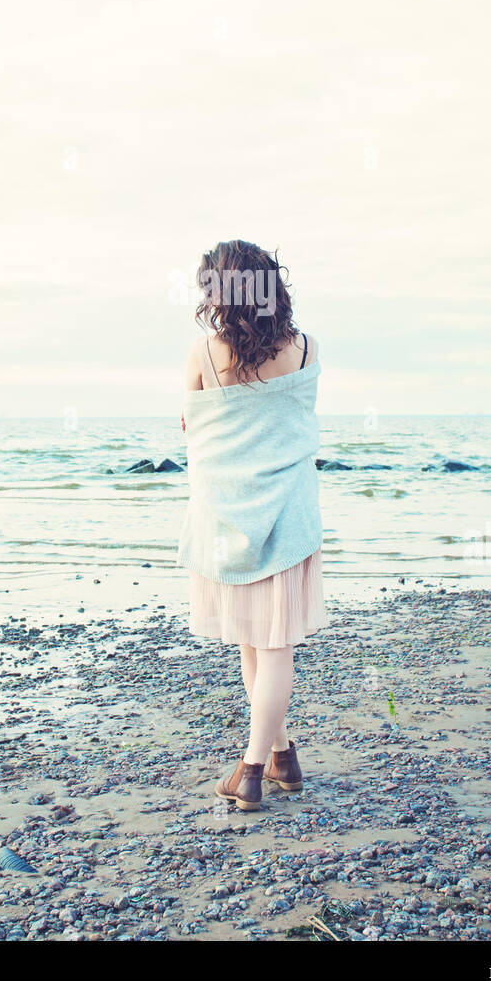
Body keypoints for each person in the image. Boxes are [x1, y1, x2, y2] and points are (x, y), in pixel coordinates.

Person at [176, 239, 328, 811]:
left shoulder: (203, 354)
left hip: (226, 516)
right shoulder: (307, 348)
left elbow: (193, 430)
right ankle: (282, 755)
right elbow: (293, 420)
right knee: (268, 643)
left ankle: (252, 770)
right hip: (288, 512)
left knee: (260, 645)